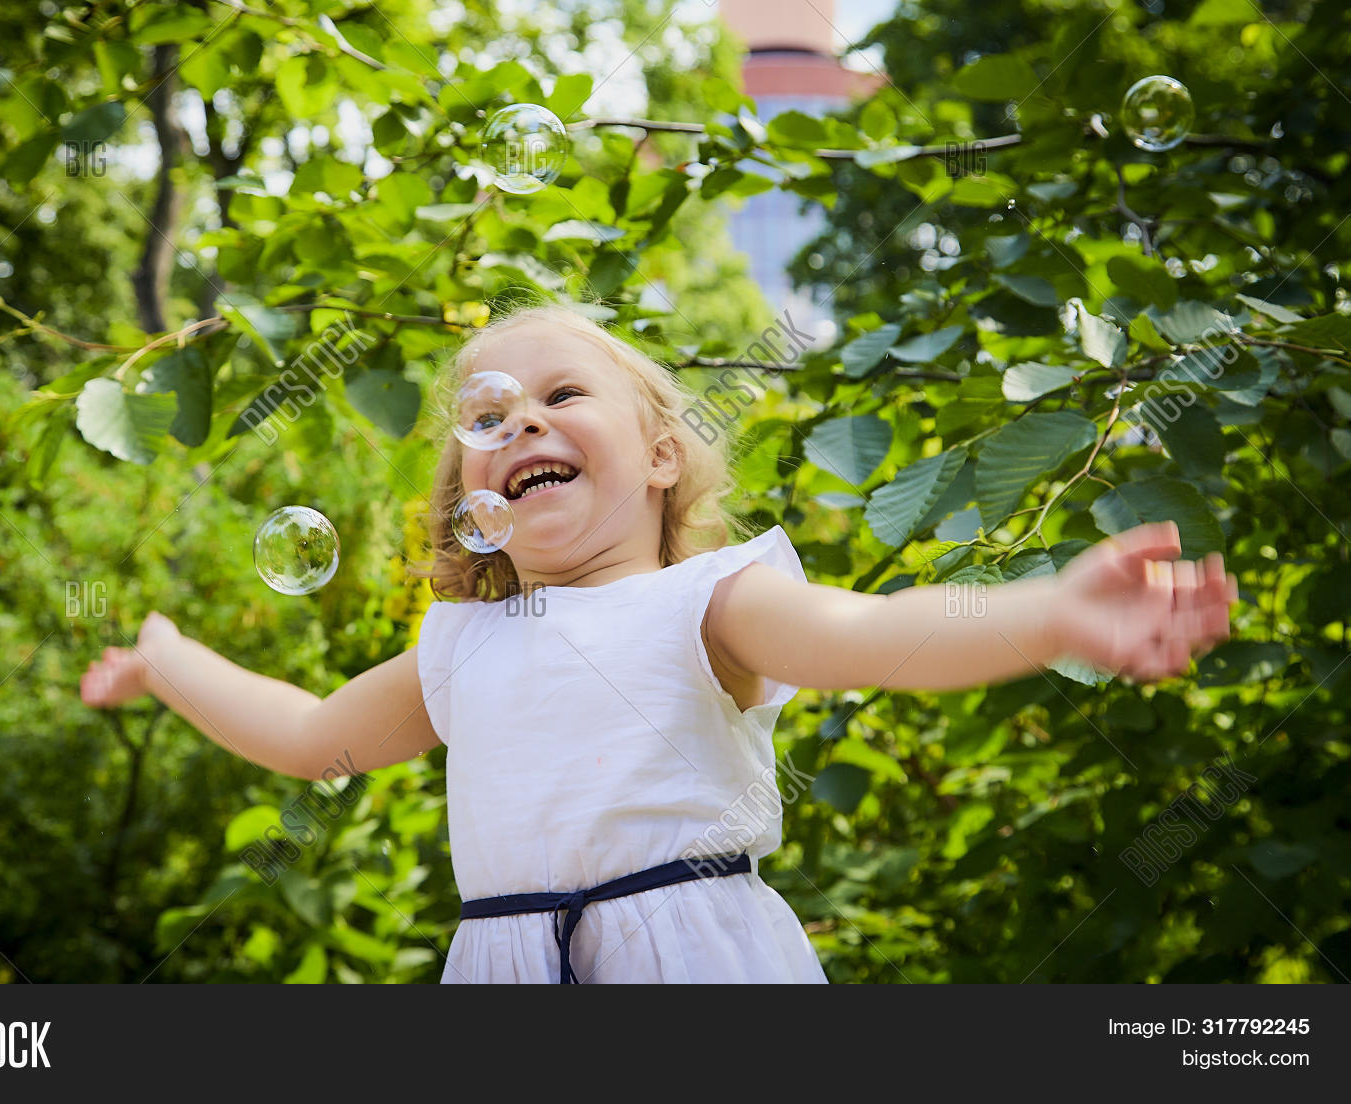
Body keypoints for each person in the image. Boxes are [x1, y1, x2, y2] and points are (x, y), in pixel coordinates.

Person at [80, 300, 1237, 984]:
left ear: (662, 456)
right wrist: (170, 658)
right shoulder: (461, 645)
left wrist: (1051, 611)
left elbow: (876, 633)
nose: (521, 420)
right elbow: (310, 736)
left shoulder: (708, 601)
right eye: (488, 418)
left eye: (562, 395)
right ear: (470, 496)